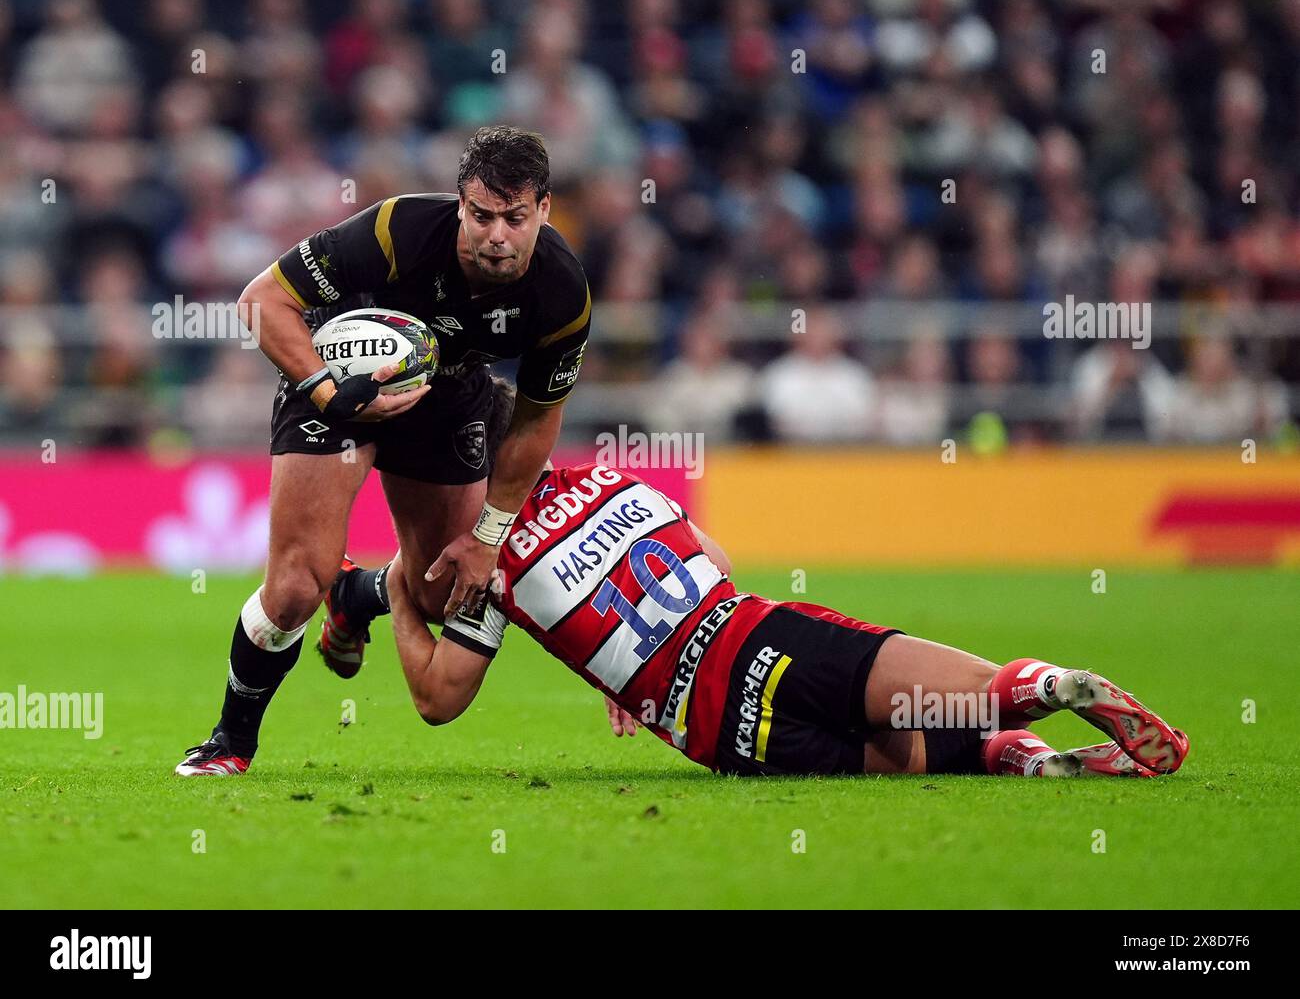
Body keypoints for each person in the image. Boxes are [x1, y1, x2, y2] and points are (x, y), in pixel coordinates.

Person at [364, 380, 1189, 780]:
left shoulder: (487, 560)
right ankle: (1055, 686)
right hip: (761, 632)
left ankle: (1033, 763)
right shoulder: (621, 482)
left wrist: (402, 596)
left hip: (722, 727)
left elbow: (440, 697)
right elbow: (714, 562)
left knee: (904, 761)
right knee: (967, 693)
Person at [175, 126, 591, 776]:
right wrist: (323, 388)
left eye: (515, 218)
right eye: (481, 216)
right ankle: (230, 742)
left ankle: (361, 592)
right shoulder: (398, 230)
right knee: (291, 589)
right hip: (339, 384)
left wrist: (488, 535)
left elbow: (538, 419)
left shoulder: (563, 293)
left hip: (447, 399)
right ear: (460, 204)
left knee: (441, 594)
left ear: (544, 209)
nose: (497, 236)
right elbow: (262, 300)